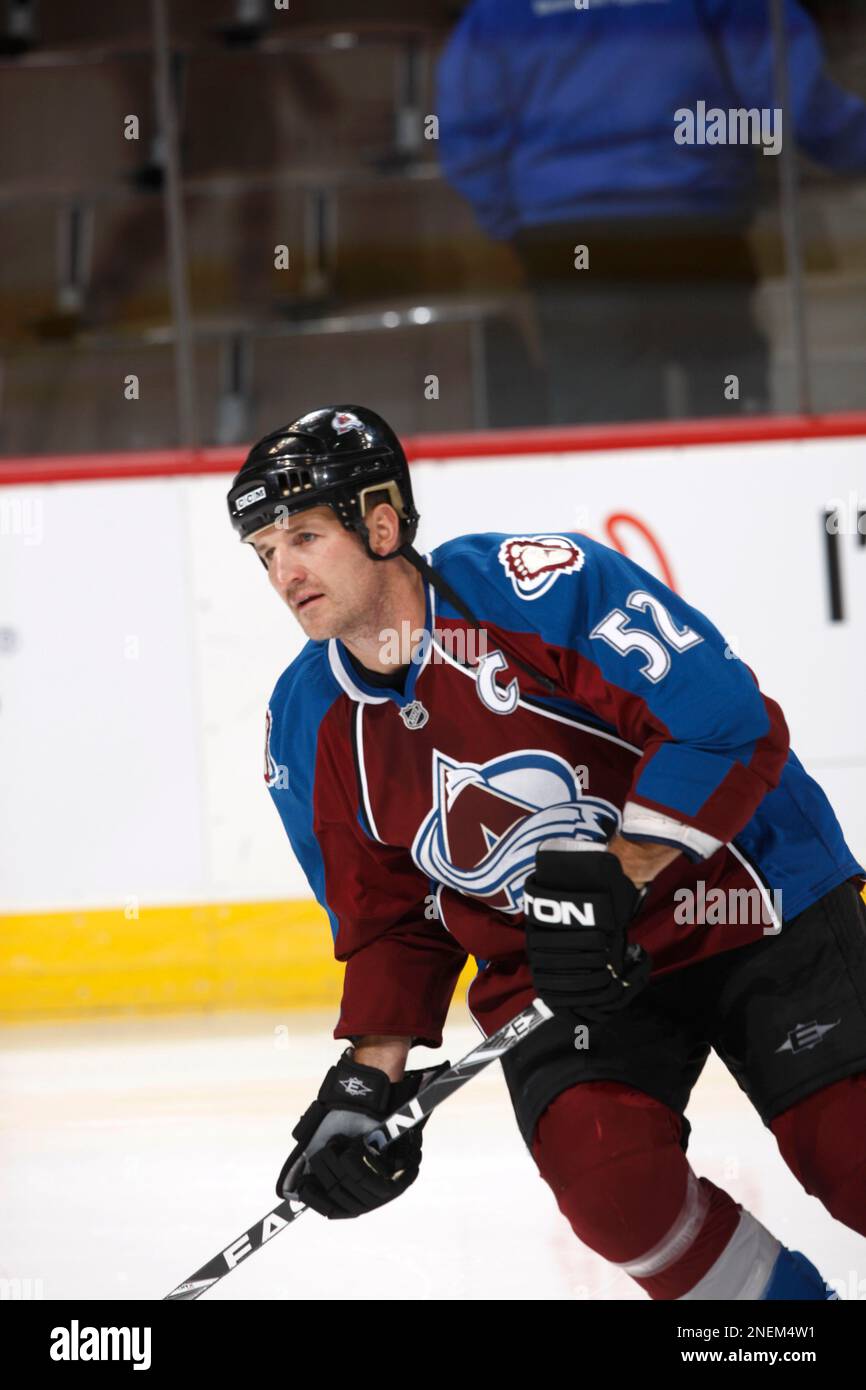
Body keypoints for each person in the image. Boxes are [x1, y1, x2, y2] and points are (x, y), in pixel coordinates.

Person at [226, 403, 866, 1300]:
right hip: (566, 971)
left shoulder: (537, 589)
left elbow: (727, 725)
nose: (284, 572)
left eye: (302, 535)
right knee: (613, 1187)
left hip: (746, 895)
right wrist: (367, 1082)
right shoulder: (306, 729)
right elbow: (391, 921)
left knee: (853, 1154)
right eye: (263, 552)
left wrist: (625, 868)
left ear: (380, 523)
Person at [436, 0, 866, 425]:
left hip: (568, 242)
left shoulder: (500, 11)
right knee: (725, 416)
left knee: (603, 425)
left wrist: (513, 225)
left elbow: (465, 131)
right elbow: (795, 99)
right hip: (696, 229)